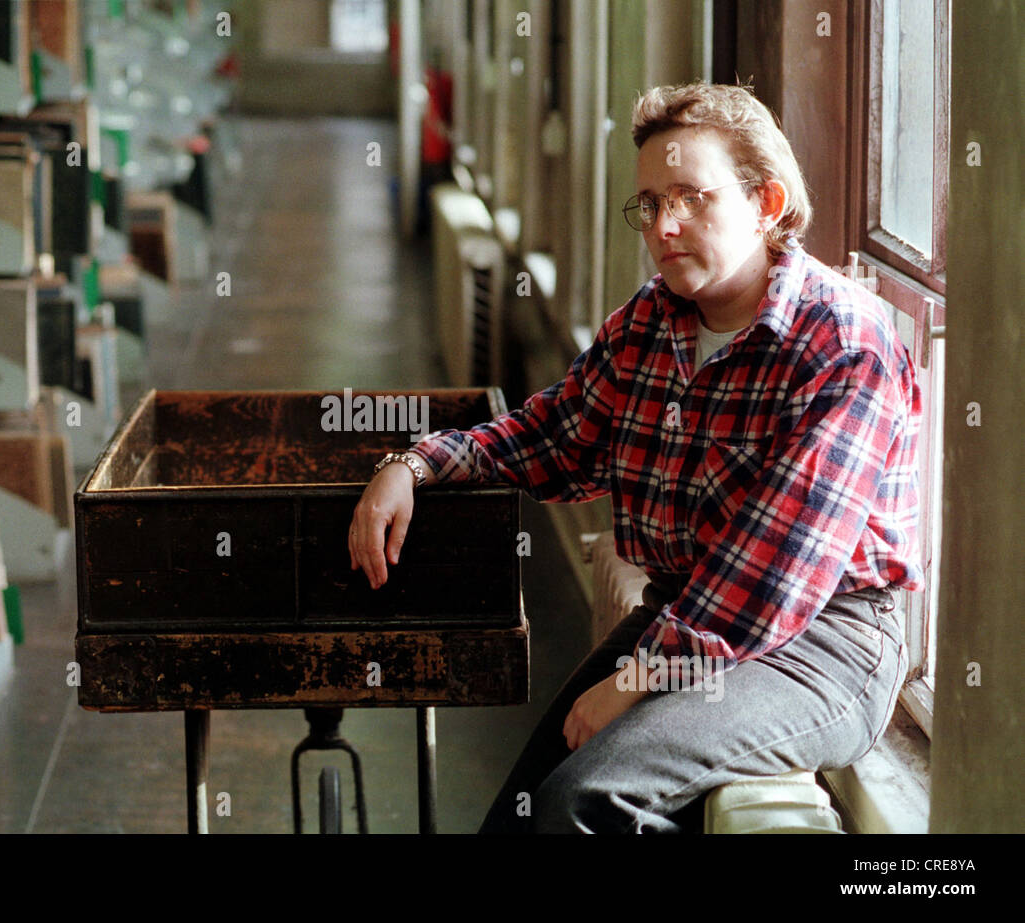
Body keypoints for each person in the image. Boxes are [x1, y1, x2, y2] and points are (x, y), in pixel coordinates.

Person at [347, 82, 922, 833]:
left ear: (767, 202)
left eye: (691, 198)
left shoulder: (843, 344)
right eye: (649, 204)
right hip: (686, 612)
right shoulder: (651, 320)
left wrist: (639, 677)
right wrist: (416, 464)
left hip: (823, 642)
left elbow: (776, 570)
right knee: (518, 815)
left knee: (579, 803)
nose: (664, 226)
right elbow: (554, 437)